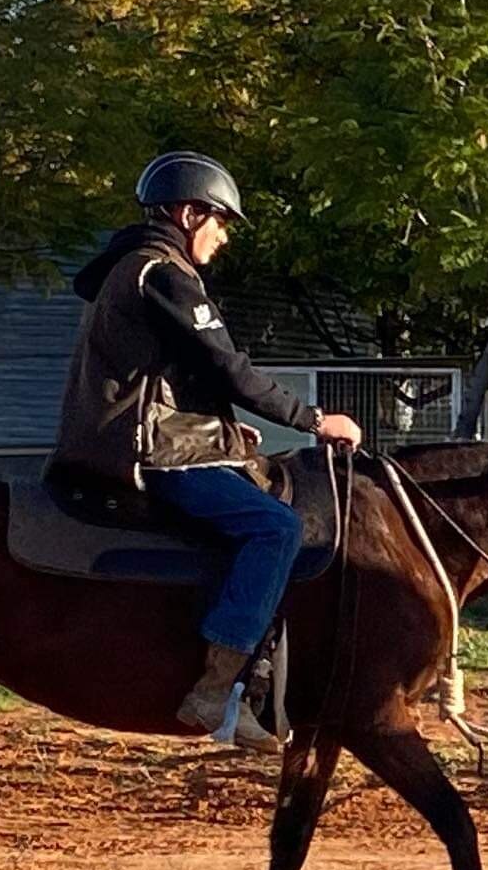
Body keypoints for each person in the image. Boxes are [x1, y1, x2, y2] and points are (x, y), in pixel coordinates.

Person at [51, 154, 362, 745]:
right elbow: (229, 369)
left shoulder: (134, 266)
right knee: (276, 529)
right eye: (220, 221)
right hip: (146, 452)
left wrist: (225, 432)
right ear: (190, 214)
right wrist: (315, 420)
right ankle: (218, 691)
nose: (223, 236)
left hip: (139, 436)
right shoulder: (163, 273)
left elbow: (175, 380)